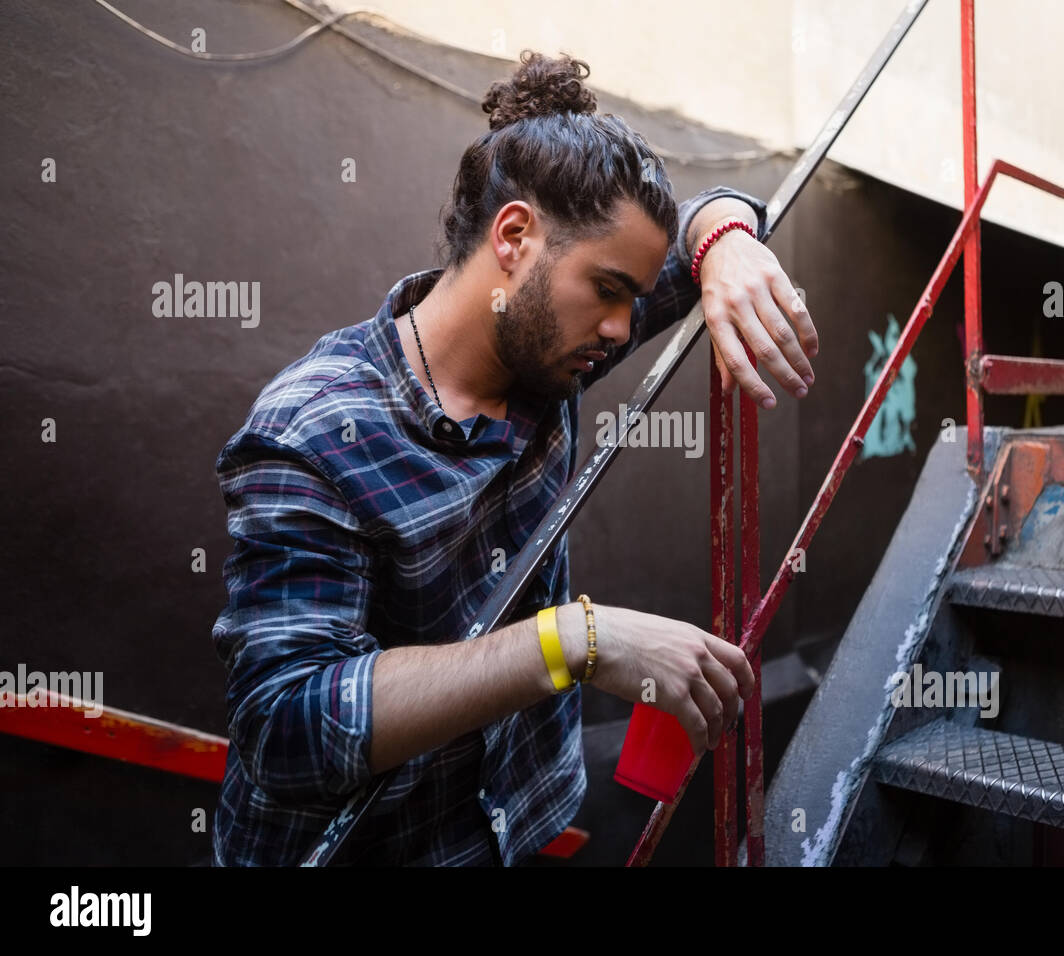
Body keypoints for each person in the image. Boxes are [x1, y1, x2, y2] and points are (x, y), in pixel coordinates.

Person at [211, 50, 818, 866]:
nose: (620, 328)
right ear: (515, 237)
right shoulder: (313, 430)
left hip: (508, 828)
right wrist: (573, 642)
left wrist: (729, 242)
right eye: (608, 291)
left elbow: (709, 216)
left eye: (632, 302)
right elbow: (285, 727)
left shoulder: (553, 347)